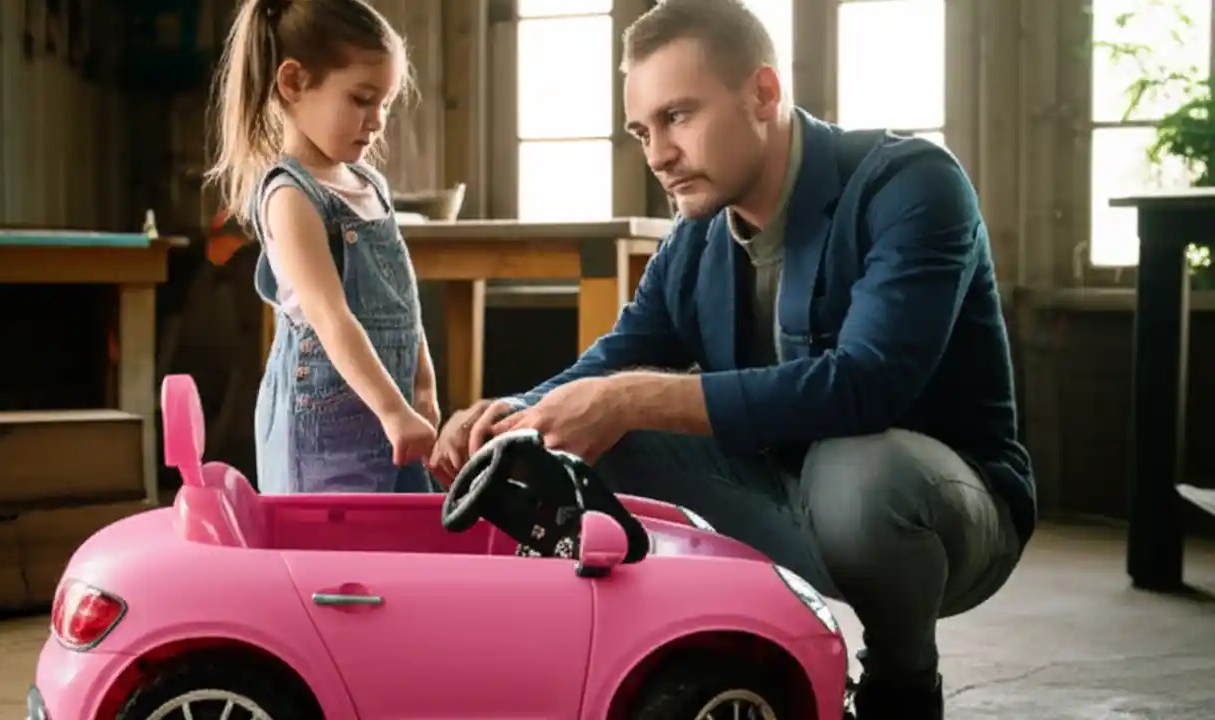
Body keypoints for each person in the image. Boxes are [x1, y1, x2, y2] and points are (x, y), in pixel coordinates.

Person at [429, 1, 1034, 717]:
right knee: (577, 441)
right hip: (786, 494)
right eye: (642, 131)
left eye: (678, 116)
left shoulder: (912, 185)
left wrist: (629, 398)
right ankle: (691, 651)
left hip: (941, 516)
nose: (658, 154)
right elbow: (616, 359)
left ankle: (901, 680)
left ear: (763, 94)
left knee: (856, 470)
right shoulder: (696, 236)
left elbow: (867, 384)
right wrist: (509, 417)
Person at [207, 0, 439, 495]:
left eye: (385, 103)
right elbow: (330, 318)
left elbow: (404, 300)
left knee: (404, 539)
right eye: (362, 99)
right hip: (324, 439)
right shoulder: (290, 197)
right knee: (327, 544)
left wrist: (422, 385)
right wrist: (393, 410)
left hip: (393, 418)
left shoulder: (371, 185)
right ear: (293, 82)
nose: (378, 121)